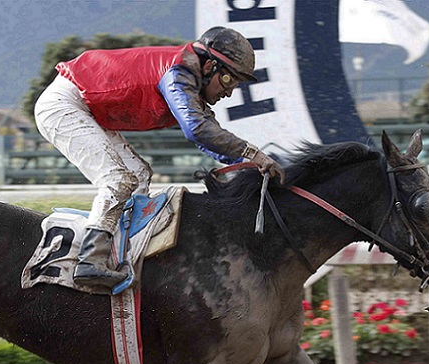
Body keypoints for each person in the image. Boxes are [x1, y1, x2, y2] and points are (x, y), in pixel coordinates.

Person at [34, 26, 286, 291]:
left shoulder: (190, 82)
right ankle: (90, 261)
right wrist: (252, 154)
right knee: (118, 179)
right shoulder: (178, 74)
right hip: (64, 105)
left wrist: (251, 163)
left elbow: (210, 137)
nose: (229, 92)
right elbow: (197, 129)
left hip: (86, 108)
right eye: (228, 80)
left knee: (140, 174)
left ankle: (123, 253)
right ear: (209, 66)